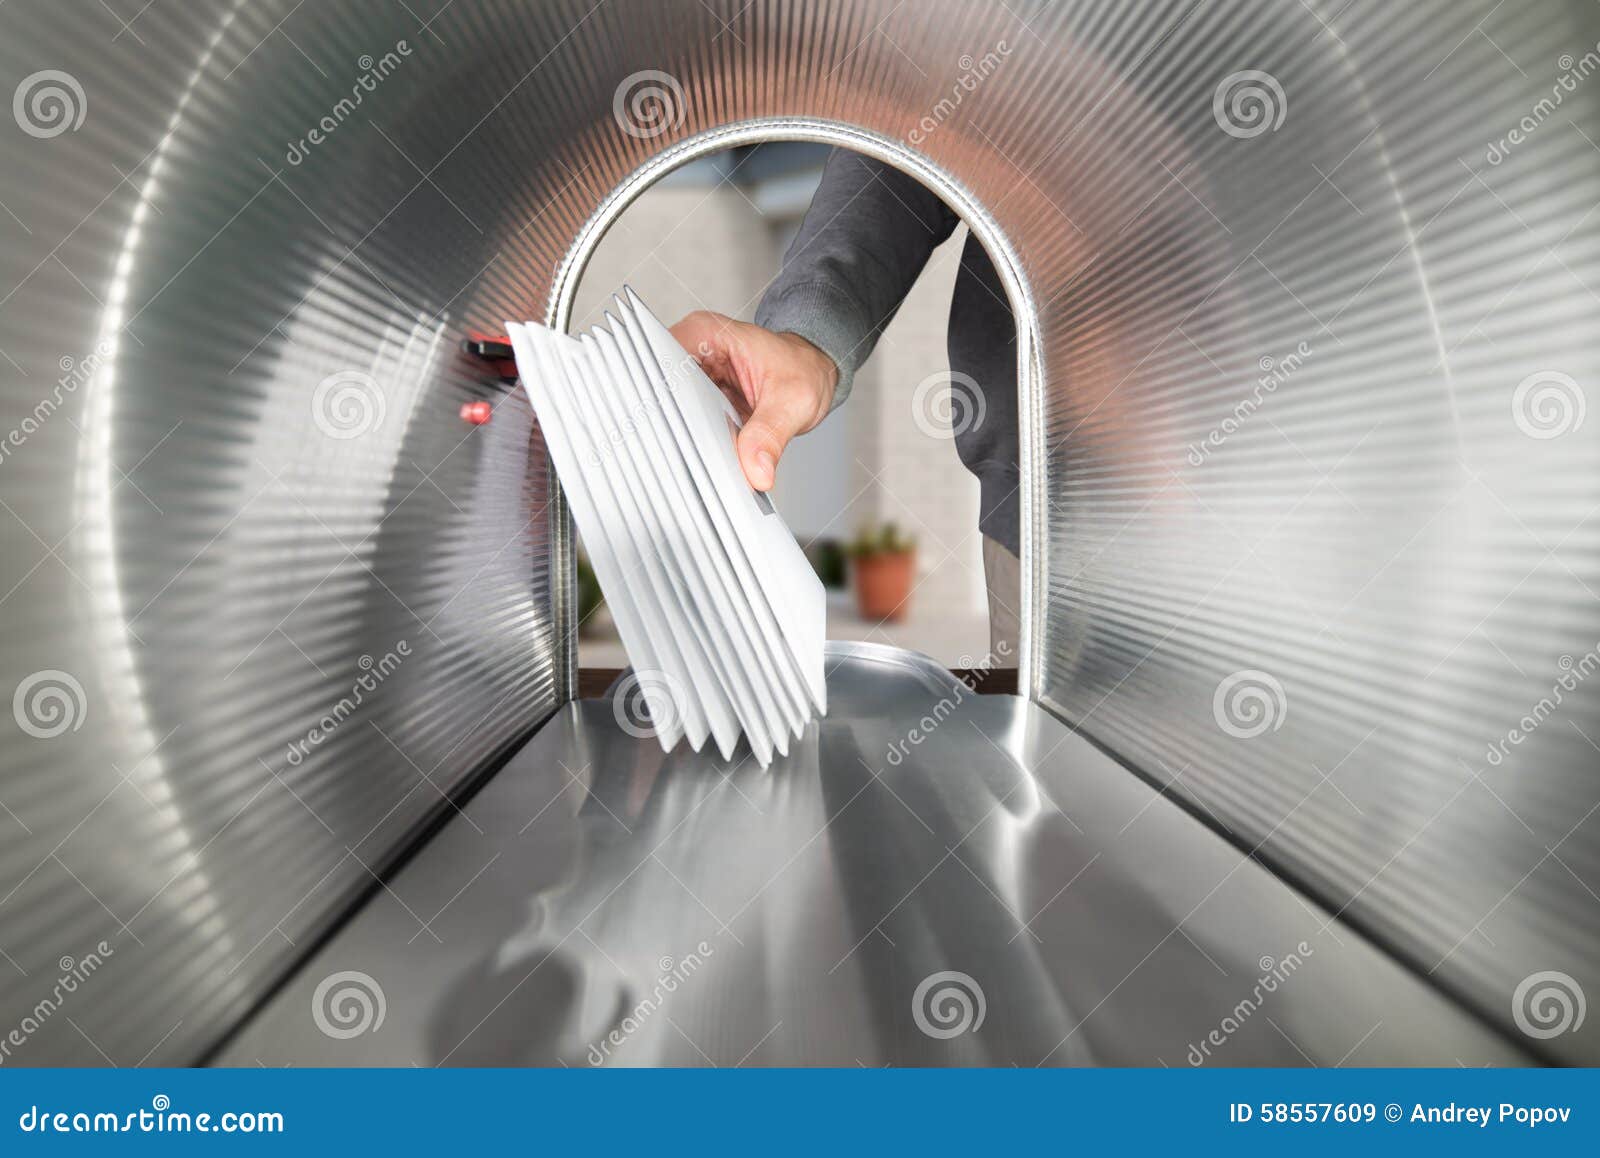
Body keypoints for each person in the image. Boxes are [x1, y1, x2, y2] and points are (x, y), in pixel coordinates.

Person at [670, 149, 1020, 657]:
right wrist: (807, 337)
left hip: (1167, 489)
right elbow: (909, 142)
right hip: (1039, 517)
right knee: (1044, 732)